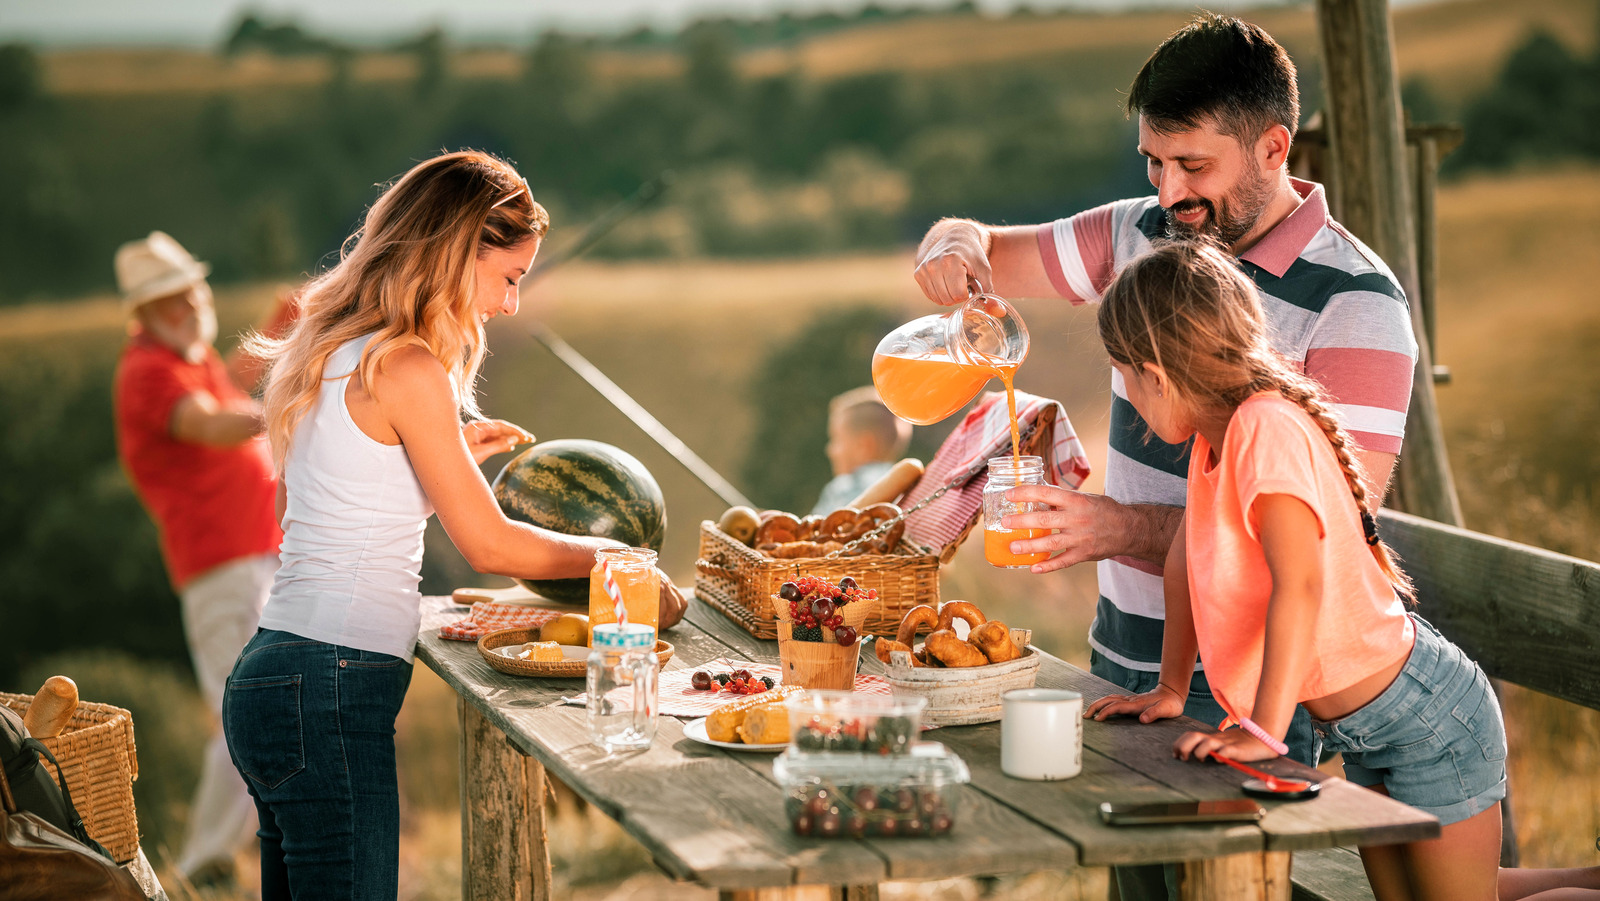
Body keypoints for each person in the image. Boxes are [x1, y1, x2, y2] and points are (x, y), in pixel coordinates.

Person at [222, 150, 688, 899]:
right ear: (459, 247)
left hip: (279, 675)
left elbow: (345, 501)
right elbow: (491, 543)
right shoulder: (406, 365)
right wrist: (617, 554)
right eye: (510, 277)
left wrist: (438, 464)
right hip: (329, 688)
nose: (509, 305)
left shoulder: (339, 349)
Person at [1077, 239, 1600, 901]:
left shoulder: (1266, 429)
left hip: (1428, 720)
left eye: (1124, 375)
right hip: (1370, 729)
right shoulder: (1219, 439)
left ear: (1156, 373)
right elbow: (1185, 555)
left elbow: (1300, 583)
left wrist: (1264, 734)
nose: (1127, 395)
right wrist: (1172, 689)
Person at [112, 231, 295, 885]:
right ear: (145, 312)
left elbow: (228, 382)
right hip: (221, 567)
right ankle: (202, 863)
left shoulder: (183, 358)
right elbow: (212, 423)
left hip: (250, 557)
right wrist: (285, 401)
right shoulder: (148, 372)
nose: (189, 303)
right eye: (171, 298)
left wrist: (280, 328)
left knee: (259, 705)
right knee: (244, 710)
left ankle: (218, 856)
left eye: (192, 289)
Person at [810, 386, 912, 515]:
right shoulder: (905, 490)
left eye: (836, 440)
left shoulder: (844, 488)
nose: (830, 450)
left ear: (863, 446)